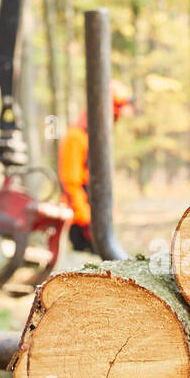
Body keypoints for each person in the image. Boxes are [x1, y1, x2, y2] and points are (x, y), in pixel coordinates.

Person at [57, 80, 135, 252]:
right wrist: (86, 220)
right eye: (115, 114)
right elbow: (70, 182)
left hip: (96, 219)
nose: (117, 120)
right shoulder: (76, 137)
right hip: (81, 225)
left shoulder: (97, 139)